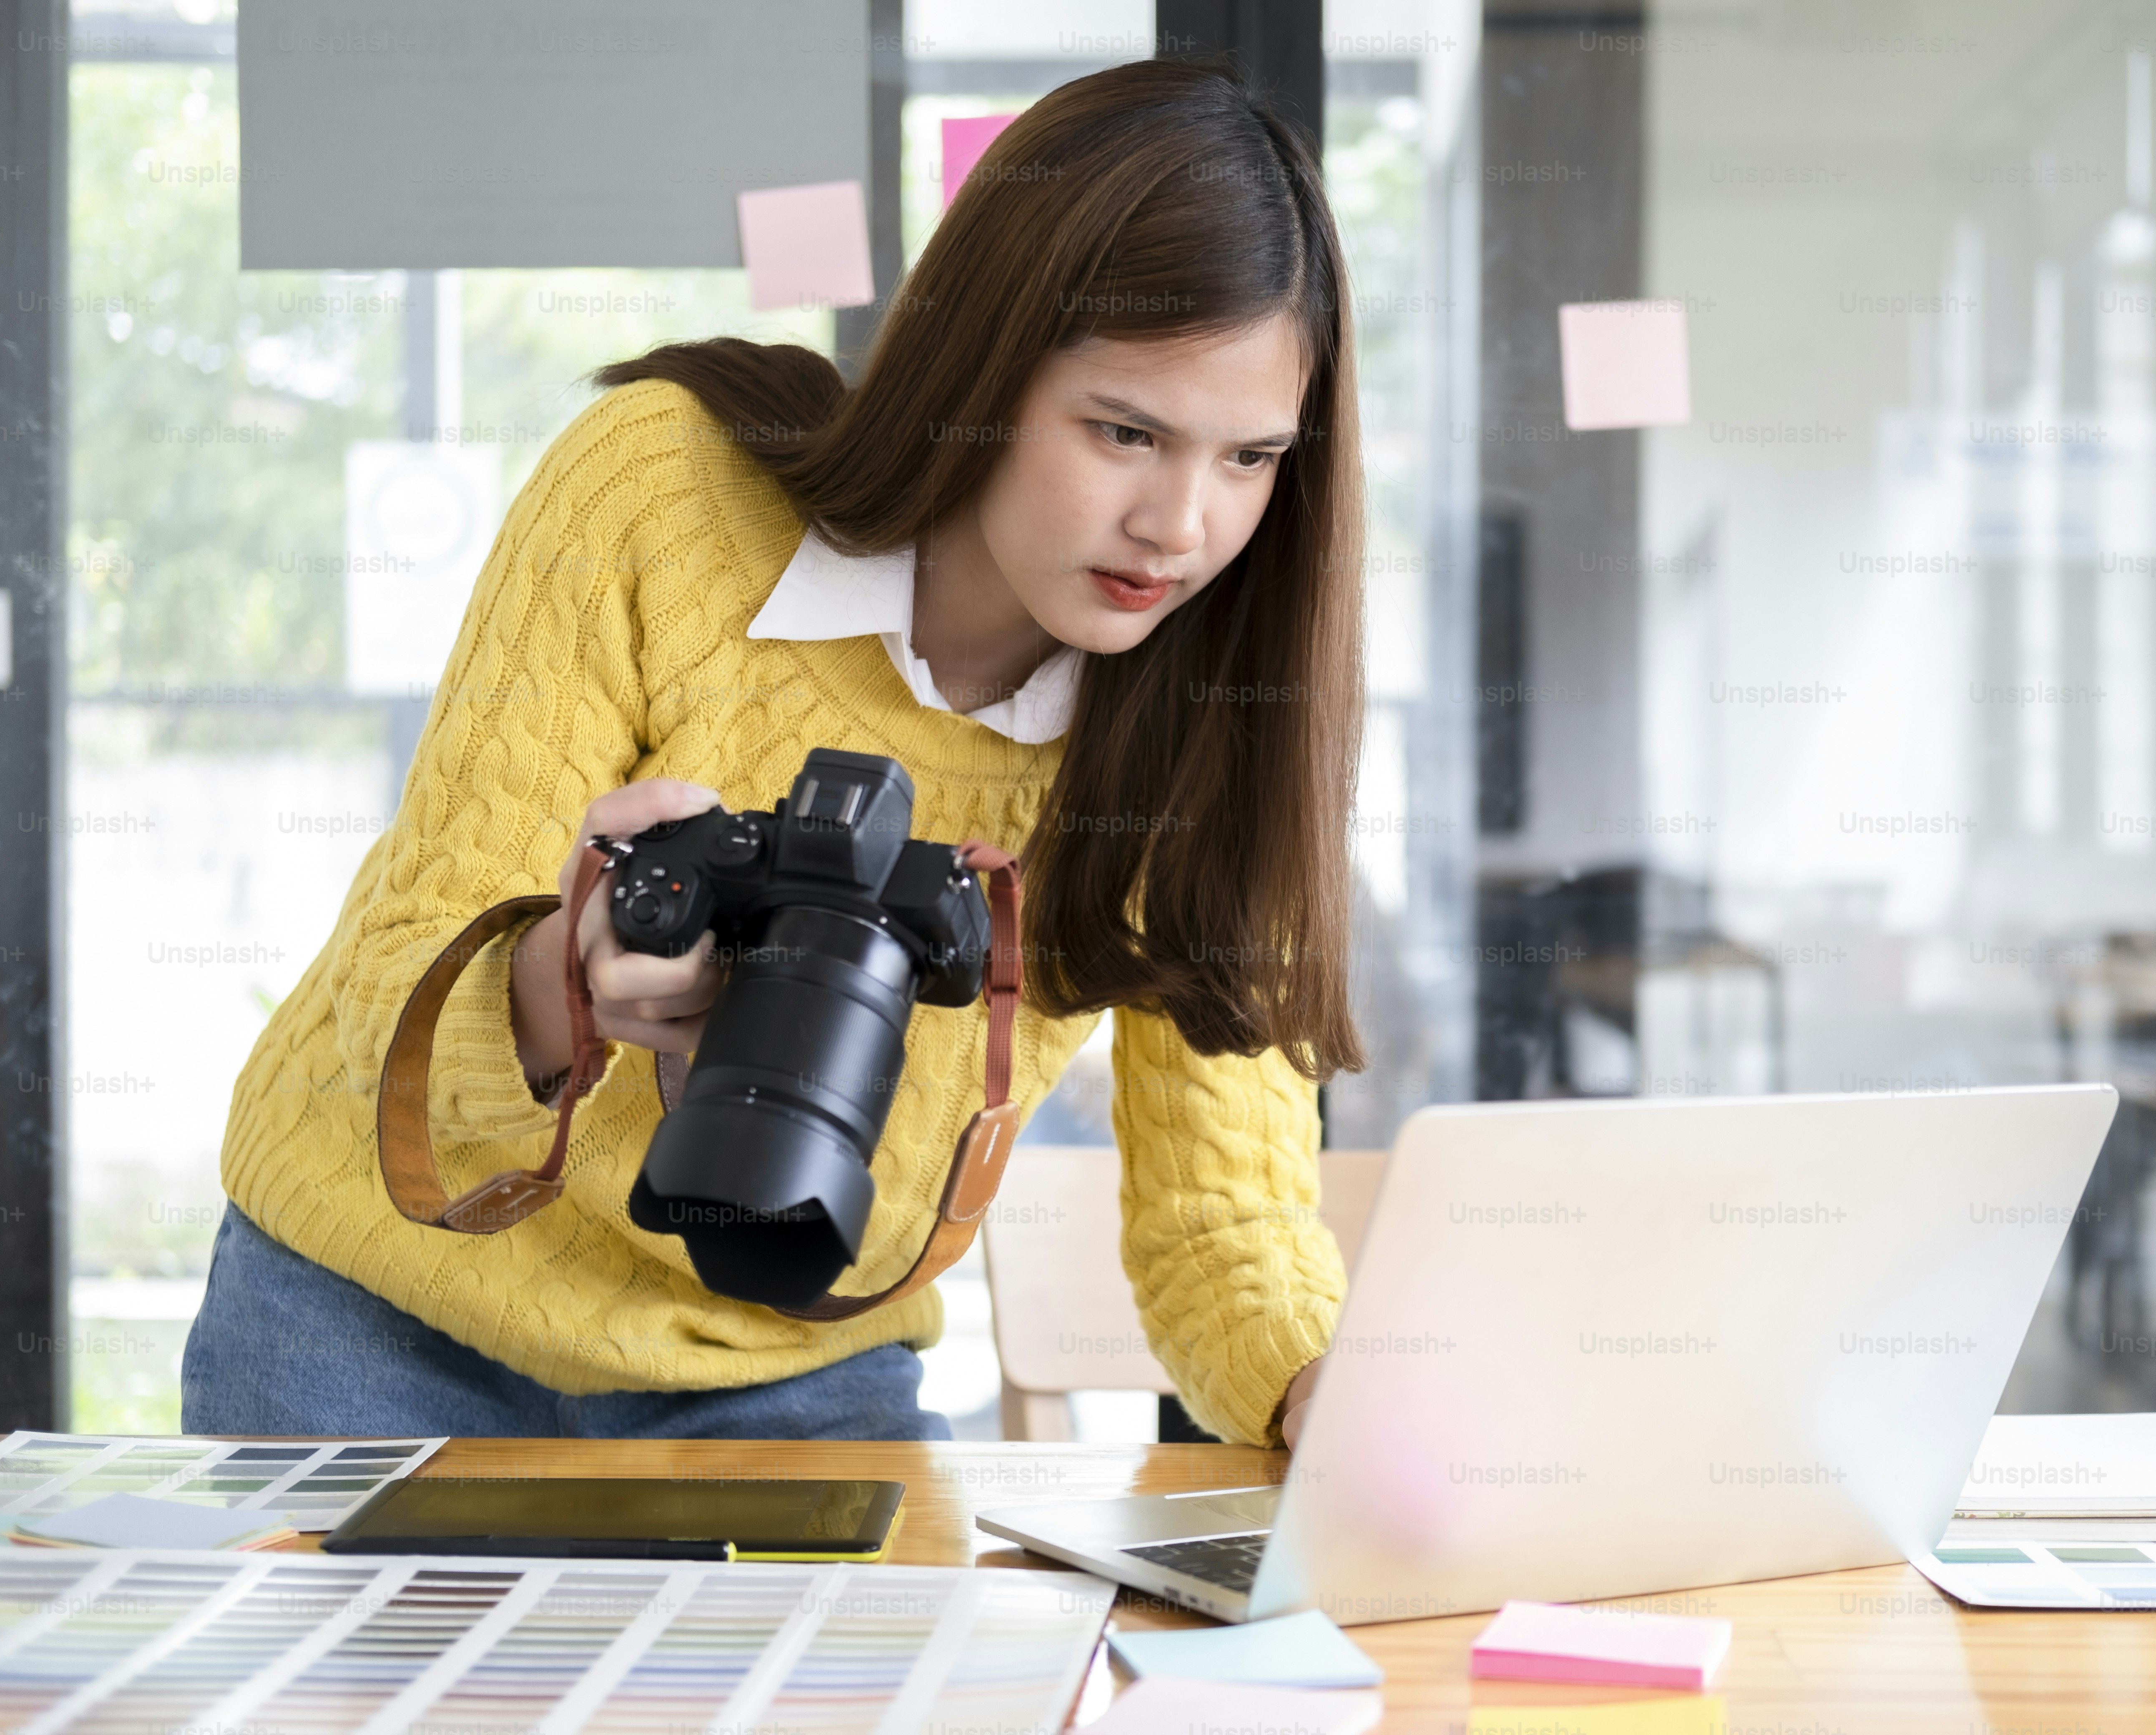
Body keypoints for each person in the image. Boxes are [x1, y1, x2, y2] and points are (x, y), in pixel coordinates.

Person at [183, 60, 1361, 1446]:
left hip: (785, 1365)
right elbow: (401, 972)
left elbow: (1224, 1225)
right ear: (982, 362)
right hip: (374, 1315)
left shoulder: (1211, 739)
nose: (1180, 525)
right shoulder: (661, 494)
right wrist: (573, 988)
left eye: (1249, 459)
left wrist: (1329, 1409)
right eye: (1125, 431)